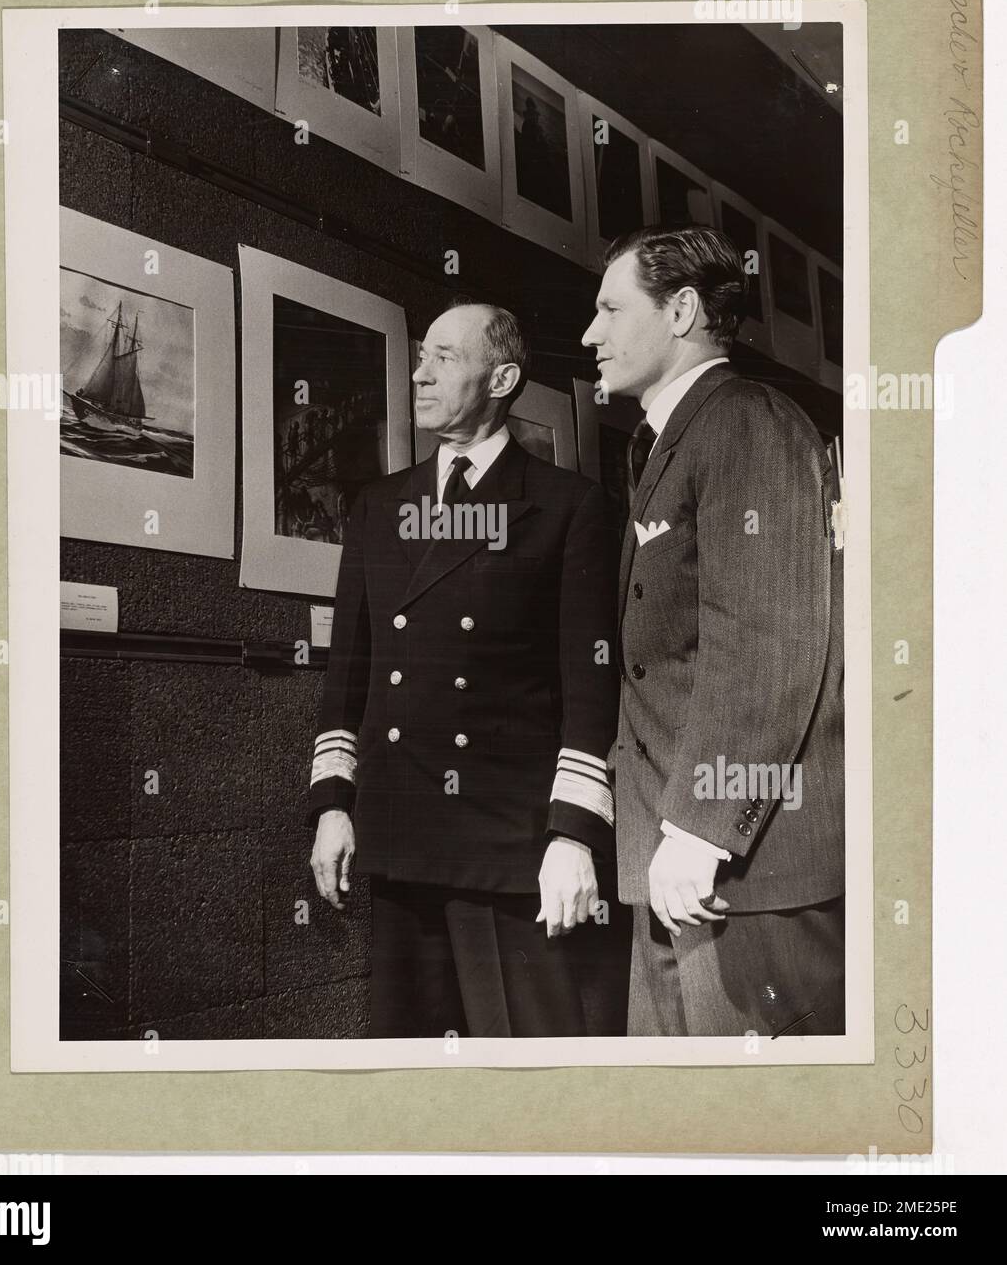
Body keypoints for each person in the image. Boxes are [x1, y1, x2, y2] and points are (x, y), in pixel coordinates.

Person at [307, 301, 627, 1038]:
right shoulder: (379, 506)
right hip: (397, 831)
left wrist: (573, 833)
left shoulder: (567, 506)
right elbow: (347, 673)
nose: (418, 373)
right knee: (413, 1070)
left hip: (511, 850)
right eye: (421, 355)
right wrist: (332, 804)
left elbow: (590, 683)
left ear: (502, 377)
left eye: (444, 358)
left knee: (527, 1076)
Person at [581, 225, 844, 1037]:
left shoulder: (745, 421)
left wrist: (699, 827)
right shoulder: (670, 440)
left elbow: (765, 639)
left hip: (743, 868)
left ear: (684, 309)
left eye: (611, 309)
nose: (591, 334)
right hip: (680, 864)